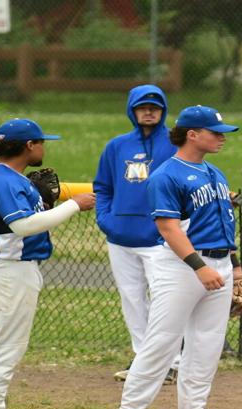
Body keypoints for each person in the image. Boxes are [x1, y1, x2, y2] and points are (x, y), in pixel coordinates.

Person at [96, 106, 242, 409]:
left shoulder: (215, 173)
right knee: (162, 339)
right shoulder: (167, 175)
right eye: (215, 132)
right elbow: (168, 228)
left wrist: (235, 270)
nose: (222, 138)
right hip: (183, 267)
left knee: (206, 343)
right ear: (192, 134)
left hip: (218, 264)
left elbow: (225, 225)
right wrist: (199, 267)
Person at [0, 119, 97, 409]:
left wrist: (40, 204)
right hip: (9, 271)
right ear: (28, 147)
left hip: (1, 268)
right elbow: (22, 227)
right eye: (40, 142)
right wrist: (72, 205)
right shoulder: (6, 182)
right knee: (3, 349)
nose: (43, 147)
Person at [93, 83, 177, 383]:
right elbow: (102, 187)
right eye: (142, 107)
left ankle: (170, 360)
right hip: (121, 236)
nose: (149, 112)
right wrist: (106, 220)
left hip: (159, 238)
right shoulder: (117, 146)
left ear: (163, 110)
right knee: (132, 299)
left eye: (154, 107)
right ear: (132, 110)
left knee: (165, 299)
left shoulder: (175, 143)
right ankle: (143, 358)